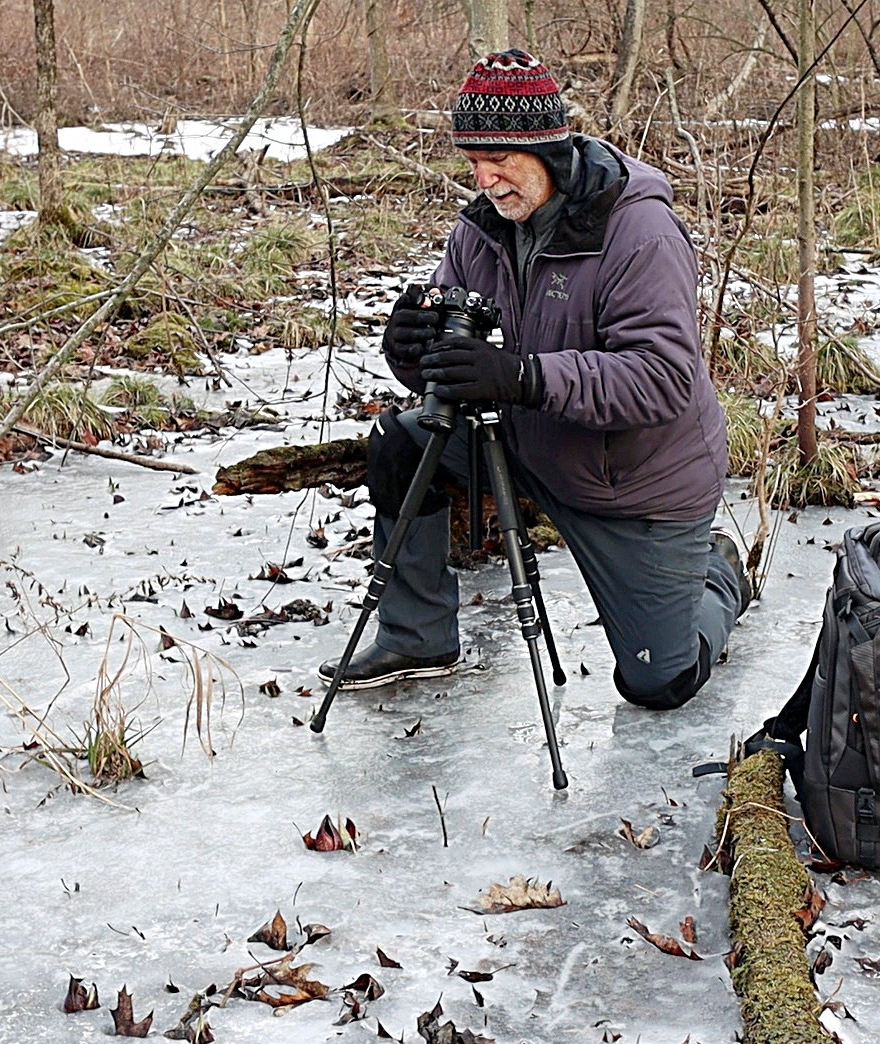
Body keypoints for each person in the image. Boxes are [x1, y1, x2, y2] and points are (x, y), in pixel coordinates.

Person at [318, 49, 749, 710]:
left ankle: (718, 577)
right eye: (473, 163)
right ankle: (418, 635)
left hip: (633, 484)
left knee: (659, 682)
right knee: (402, 443)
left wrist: (520, 376)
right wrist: (408, 349)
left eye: (501, 162)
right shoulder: (484, 229)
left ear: (548, 149)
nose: (486, 180)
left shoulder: (638, 231)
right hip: (524, 446)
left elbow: (664, 380)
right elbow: (450, 351)